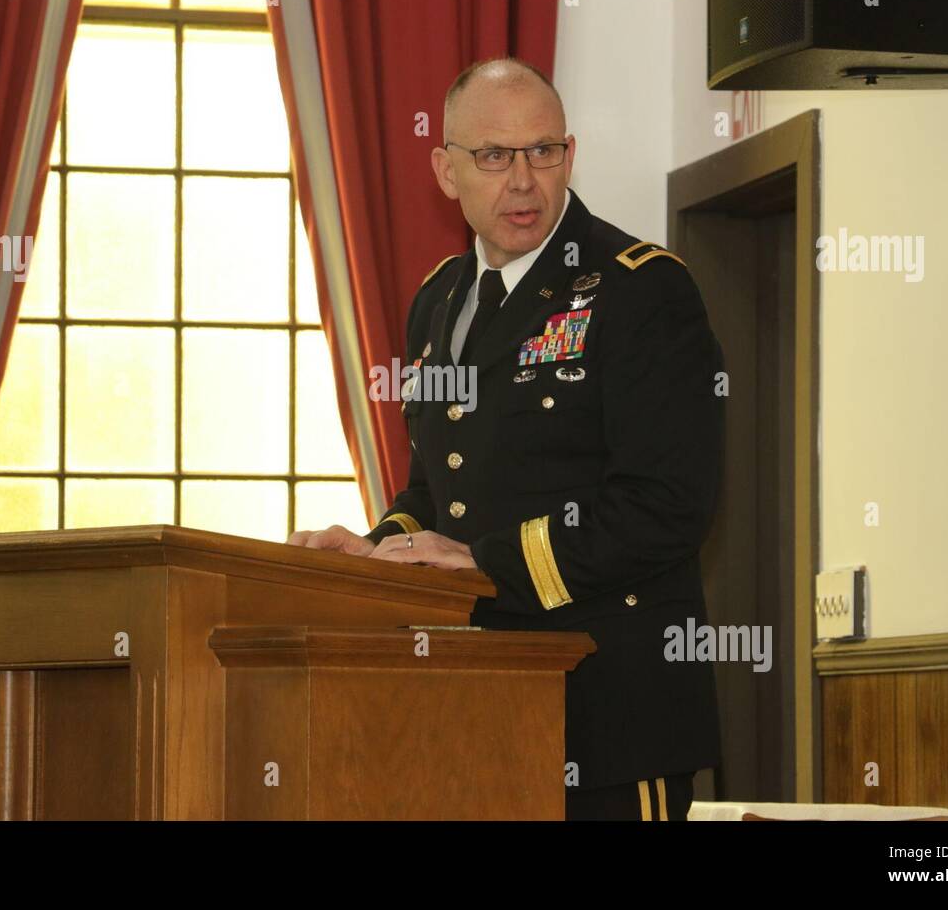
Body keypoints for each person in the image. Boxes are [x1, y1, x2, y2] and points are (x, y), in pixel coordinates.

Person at [288, 57, 725, 820]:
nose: (523, 180)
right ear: (446, 169)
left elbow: (668, 506)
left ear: (569, 154)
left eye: (544, 151)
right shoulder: (438, 299)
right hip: (472, 704)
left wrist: (483, 562)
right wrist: (377, 556)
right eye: (494, 156)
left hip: (612, 712)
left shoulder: (638, 289)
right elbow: (437, 488)